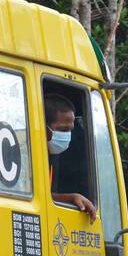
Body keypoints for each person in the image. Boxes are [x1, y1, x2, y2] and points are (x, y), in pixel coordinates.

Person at [44, 94, 97, 222]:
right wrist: (71, 198)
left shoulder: (53, 157)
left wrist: (72, 198)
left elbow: (46, 196)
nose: (67, 135)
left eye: (70, 130)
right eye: (63, 130)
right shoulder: (25, 156)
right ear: (44, 128)